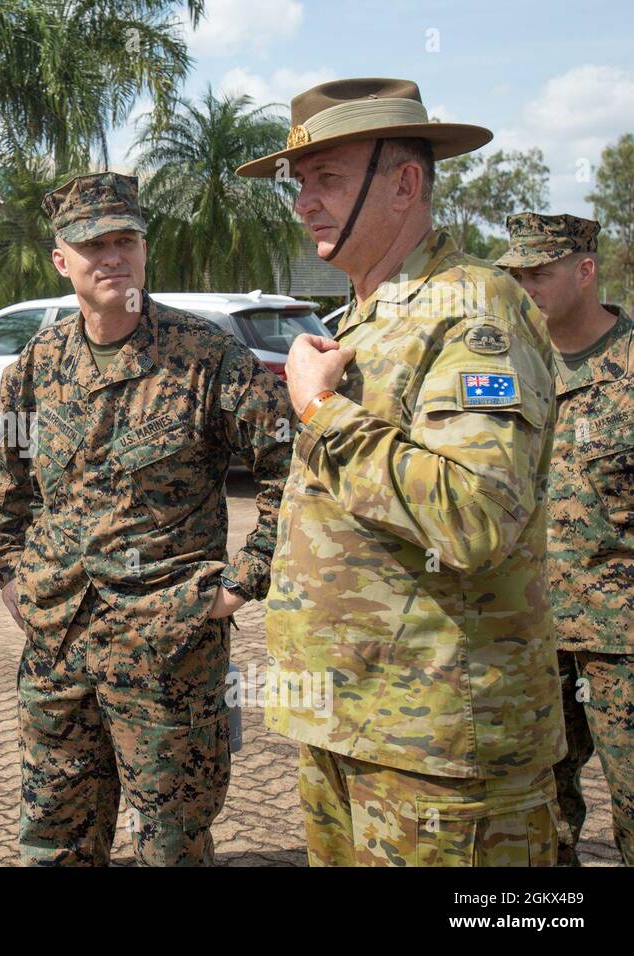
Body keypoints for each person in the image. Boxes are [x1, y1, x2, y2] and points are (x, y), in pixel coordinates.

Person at [236, 77, 564, 866]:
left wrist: (323, 413)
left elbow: (474, 514)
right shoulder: (363, 319)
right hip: (352, 727)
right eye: (300, 183)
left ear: (405, 183)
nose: (304, 201)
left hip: (444, 748)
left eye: (329, 178)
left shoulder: (474, 309)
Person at [0, 172, 293, 865]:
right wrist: (9, 578)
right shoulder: (37, 364)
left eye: (126, 241)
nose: (112, 257)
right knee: (54, 838)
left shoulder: (206, 358)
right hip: (58, 645)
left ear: (145, 250)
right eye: (93, 245)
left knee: (171, 843)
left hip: (168, 648)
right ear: (62, 260)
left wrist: (243, 580)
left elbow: (290, 472)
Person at [497, 212, 634, 866]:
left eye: (538, 272)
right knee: (538, 807)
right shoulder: (506, 370)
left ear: (585, 270)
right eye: (515, 274)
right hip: (532, 634)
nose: (525, 287)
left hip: (623, 643)